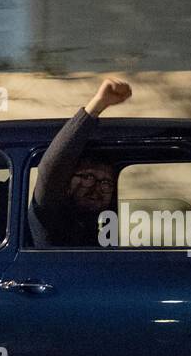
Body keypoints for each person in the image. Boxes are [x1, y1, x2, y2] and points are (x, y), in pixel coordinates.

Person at [28, 77, 132, 247]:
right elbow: (51, 169)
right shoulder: (48, 215)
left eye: (106, 182)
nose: (96, 187)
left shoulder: (98, 231)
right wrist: (96, 106)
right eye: (88, 177)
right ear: (67, 184)